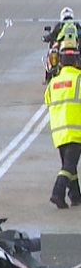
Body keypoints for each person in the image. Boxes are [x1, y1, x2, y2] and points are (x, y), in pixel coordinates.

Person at [45, 48, 81, 209]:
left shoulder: (54, 82)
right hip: (76, 129)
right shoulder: (79, 79)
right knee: (68, 166)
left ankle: (75, 196)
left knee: (69, 165)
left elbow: (48, 102)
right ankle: (57, 192)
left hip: (59, 131)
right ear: (76, 63)